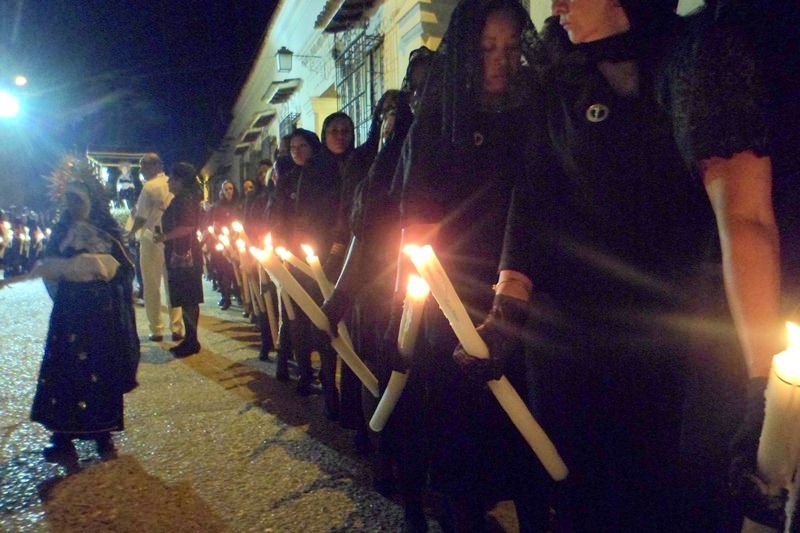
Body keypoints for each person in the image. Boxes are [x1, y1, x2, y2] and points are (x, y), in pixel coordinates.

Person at [455, 1, 784, 530]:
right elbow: (534, 201)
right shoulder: (557, 80)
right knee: (592, 496)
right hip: (581, 342)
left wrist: (761, 382)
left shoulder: (692, 61)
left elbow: (744, 219)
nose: (555, 5)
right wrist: (506, 308)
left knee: (680, 494)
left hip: (682, 335)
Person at [391, 1, 547, 530]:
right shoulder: (438, 121)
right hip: (452, 293)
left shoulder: (537, 111)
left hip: (523, 288)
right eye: (486, 50)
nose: (500, 62)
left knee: (526, 423)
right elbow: (416, 215)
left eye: (509, 48)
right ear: (464, 53)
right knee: (460, 416)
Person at [31, 157, 140, 461]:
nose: (73, 206)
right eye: (69, 200)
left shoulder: (107, 230)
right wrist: (63, 271)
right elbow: (48, 265)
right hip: (69, 311)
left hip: (99, 311)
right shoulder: (61, 231)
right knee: (64, 368)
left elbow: (126, 268)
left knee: (100, 367)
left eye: (78, 199)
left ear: (90, 199)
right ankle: (61, 436)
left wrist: (104, 272)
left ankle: (102, 433)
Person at [268, 129, 321, 385]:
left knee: (319, 312)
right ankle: (303, 370)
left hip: (321, 255)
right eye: (293, 148)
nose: (298, 151)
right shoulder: (287, 181)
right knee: (294, 313)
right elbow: (278, 217)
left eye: (303, 146)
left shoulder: (325, 176)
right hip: (293, 255)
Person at [129, 153, 183, 342]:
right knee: (172, 284)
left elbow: (141, 217)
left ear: (155, 166)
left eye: (143, 165)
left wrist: (129, 232)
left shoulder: (149, 187)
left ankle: (156, 329)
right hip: (171, 237)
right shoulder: (173, 183)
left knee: (151, 285)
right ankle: (177, 327)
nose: (141, 170)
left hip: (151, 237)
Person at [154, 162, 204, 357]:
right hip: (182, 254)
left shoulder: (185, 199)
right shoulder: (183, 198)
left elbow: (188, 226)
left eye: (172, 178)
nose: (169, 181)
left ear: (181, 180)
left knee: (189, 298)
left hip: (185, 255)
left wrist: (164, 237)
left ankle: (192, 341)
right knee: (186, 298)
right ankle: (190, 340)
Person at [206, 180, 240, 310]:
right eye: (226, 189)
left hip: (235, 242)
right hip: (220, 242)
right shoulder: (217, 206)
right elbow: (213, 222)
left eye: (230, 188)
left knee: (234, 270)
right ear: (222, 191)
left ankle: (238, 294)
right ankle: (225, 296)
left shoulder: (238, 205)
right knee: (221, 270)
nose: (228, 192)